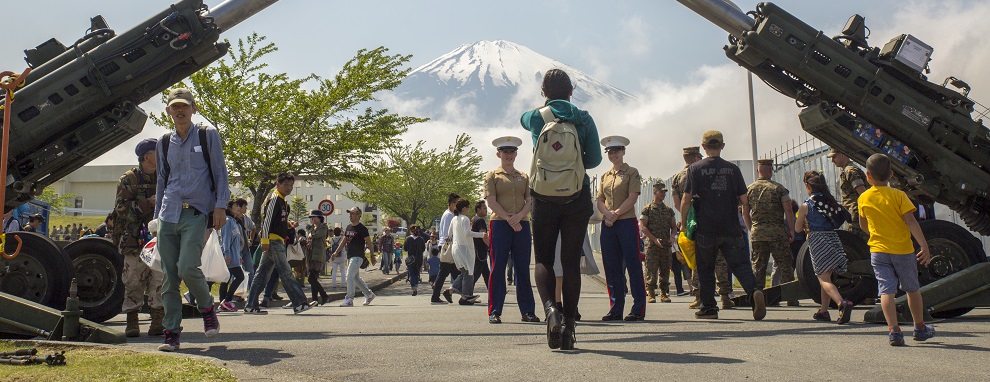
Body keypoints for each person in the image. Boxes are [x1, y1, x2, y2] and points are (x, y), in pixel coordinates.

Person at [521, 68, 601, 350]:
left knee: (543, 258)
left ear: (543, 92)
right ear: (571, 91)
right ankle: (568, 326)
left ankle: (550, 311)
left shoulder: (534, 117)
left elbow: (523, 119)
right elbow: (593, 160)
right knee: (570, 262)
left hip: (543, 196)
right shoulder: (583, 118)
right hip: (576, 195)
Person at [154, 88, 231, 352]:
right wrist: (156, 218)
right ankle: (172, 333)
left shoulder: (207, 135)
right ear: (168, 111)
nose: (180, 110)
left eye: (184, 106)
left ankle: (207, 307)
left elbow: (220, 173)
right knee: (169, 277)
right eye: (174, 106)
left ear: (193, 109)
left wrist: (220, 206)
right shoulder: (164, 141)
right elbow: (162, 180)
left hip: (197, 212)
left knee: (188, 267)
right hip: (168, 213)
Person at [679, 130, 766, 321]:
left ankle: (709, 308)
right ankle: (754, 292)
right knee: (740, 265)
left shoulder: (695, 169)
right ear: (722, 146)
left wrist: (684, 224)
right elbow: (744, 199)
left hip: (706, 227)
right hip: (730, 226)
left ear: (703, 147)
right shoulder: (733, 170)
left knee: (705, 268)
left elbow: (685, 199)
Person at [857, 154, 935, 346]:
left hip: (878, 251)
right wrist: (924, 245)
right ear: (891, 174)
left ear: (868, 175)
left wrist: (876, 233)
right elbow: (911, 222)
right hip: (902, 250)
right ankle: (919, 327)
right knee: (912, 289)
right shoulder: (899, 196)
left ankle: (894, 331)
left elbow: (862, 225)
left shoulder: (863, 198)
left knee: (886, 291)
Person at [483, 136, 538, 324]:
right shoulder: (492, 176)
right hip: (500, 224)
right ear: (498, 154)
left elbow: (529, 201)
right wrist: (509, 218)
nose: (509, 155)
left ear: (516, 154)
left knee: (522, 268)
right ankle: (495, 311)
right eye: (505, 152)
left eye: (512, 152)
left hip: (521, 224)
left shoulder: (523, 176)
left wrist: (519, 217)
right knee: (497, 268)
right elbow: (491, 201)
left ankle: (528, 311)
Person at [113, 138, 164, 338]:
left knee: (159, 279)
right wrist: (148, 203)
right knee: (133, 279)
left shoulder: (165, 177)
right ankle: (132, 320)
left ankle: (157, 320)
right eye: (156, 152)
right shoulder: (129, 179)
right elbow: (122, 210)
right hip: (134, 240)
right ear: (146, 156)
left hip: (160, 239)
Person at [671, 146, 733, 309]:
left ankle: (699, 296)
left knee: (698, 259)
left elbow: (678, 203)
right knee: (719, 258)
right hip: (713, 219)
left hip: (692, 223)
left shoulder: (677, 177)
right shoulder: (703, 170)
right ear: (696, 156)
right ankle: (725, 296)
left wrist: (687, 219)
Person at [243, 172, 313, 315]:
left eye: (291, 185)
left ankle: (250, 305)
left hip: (275, 240)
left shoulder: (281, 200)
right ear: (278, 184)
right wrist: (265, 241)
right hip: (273, 241)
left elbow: (276, 221)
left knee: (262, 274)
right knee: (286, 272)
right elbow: (267, 221)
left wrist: (288, 225)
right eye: (286, 185)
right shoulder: (275, 198)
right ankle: (299, 302)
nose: (289, 188)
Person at [596, 135, 646, 321]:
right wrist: (607, 214)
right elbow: (600, 200)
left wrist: (615, 213)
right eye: (610, 151)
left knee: (633, 265)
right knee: (611, 267)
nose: (613, 154)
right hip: (608, 224)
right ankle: (616, 308)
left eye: (616, 150)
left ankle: (638, 308)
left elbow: (633, 197)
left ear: (623, 152)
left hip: (625, 222)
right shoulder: (605, 176)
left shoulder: (631, 172)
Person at [794, 171, 854, 323]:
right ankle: (824, 311)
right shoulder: (830, 202)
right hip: (833, 238)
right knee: (827, 276)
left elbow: (797, 228)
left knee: (823, 279)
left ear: (807, 186)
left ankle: (842, 303)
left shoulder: (806, 206)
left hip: (817, 241)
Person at [746, 159, 797, 305]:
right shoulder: (779, 189)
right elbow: (788, 210)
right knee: (785, 264)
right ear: (770, 170)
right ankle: (790, 298)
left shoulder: (749, 189)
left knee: (758, 267)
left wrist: (752, 229)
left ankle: (758, 298)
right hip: (778, 233)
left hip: (757, 233)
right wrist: (791, 230)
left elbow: (745, 212)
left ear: (758, 171)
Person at [640, 181, 678, 304]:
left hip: (665, 245)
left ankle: (664, 293)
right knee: (651, 269)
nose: (663, 194)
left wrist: (672, 236)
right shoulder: (648, 209)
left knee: (665, 269)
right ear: (655, 192)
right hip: (652, 245)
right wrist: (654, 239)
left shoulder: (668, 210)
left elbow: (673, 227)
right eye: (661, 192)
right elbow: (643, 227)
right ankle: (651, 293)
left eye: (664, 192)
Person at [331, 206, 377, 307]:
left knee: (349, 276)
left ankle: (349, 298)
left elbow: (369, 243)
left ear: (358, 215)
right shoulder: (348, 227)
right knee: (355, 277)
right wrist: (336, 252)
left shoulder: (362, 228)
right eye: (350, 213)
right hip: (350, 256)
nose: (350, 216)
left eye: (353, 213)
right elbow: (344, 241)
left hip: (358, 256)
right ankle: (369, 294)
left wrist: (372, 255)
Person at [450, 199, 487, 305]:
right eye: (468, 207)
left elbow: (449, 233)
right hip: (464, 249)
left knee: (466, 272)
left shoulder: (454, 219)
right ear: (464, 208)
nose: (469, 209)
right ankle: (466, 295)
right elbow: (467, 233)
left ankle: (455, 290)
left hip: (455, 247)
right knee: (469, 272)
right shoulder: (465, 219)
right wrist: (481, 235)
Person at [828, 148, 869, 240]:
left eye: (834, 157)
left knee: (857, 244)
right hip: (854, 215)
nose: (832, 160)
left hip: (857, 217)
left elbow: (863, 193)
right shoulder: (848, 170)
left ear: (842, 154)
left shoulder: (850, 171)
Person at [431, 193, 463, 304]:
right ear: (452, 203)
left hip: (446, 246)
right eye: (457, 203)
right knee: (445, 273)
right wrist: (452, 245)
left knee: (455, 272)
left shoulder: (448, 214)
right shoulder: (449, 215)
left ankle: (464, 294)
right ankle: (436, 296)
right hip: (447, 246)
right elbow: (447, 233)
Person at [217, 200, 247, 313]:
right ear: (229, 208)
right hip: (229, 256)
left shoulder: (234, 222)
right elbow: (226, 239)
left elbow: (236, 242)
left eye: (239, 206)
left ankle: (223, 302)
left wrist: (238, 256)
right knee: (239, 276)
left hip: (234, 256)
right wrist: (227, 254)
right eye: (236, 206)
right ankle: (226, 300)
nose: (238, 208)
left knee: (226, 279)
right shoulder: (228, 221)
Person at [306, 210, 330, 305]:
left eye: (314, 217)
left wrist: (310, 232)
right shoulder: (311, 228)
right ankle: (314, 299)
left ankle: (324, 295)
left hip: (318, 255)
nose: (312, 219)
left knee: (311, 279)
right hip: (310, 255)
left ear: (319, 218)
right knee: (313, 278)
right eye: (311, 217)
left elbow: (315, 235)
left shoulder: (323, 227)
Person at [403, 225, 427, 295]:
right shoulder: (421, 239)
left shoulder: (408, 239)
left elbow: (405, 249)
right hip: (419, 258)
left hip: (411, 258)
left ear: (410, 231)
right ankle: (415, 286)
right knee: (416, 273)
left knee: (412, 273)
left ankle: (414, 288)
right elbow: (423, 249)